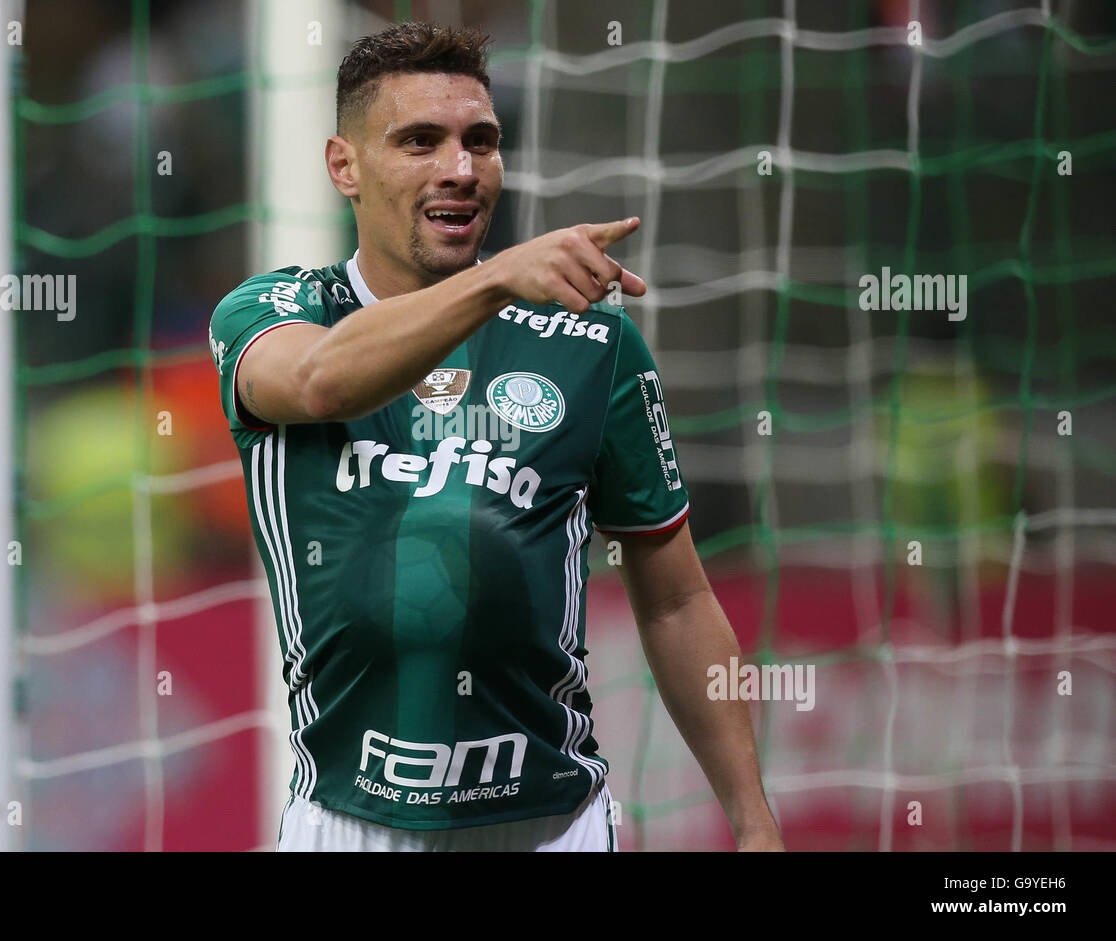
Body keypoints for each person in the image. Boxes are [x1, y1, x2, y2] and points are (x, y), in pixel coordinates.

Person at [209, 21, 783, 852]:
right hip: (351, 825)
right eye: (419, 142)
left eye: (481, 141)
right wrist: (496, 281)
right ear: (345, 165)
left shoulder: (592, 343)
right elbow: (317, 381)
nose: (460, 169)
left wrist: (756, 824)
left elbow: (677, 598)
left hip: (554, 826)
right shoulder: (276, 312)